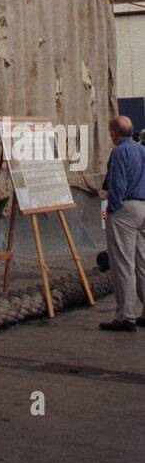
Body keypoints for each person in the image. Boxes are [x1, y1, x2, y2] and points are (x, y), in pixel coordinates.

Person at [99, 115, 145, 332]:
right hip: (143, 208)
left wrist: (112, 209)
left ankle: (126, 316)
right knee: (142, 263)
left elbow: (117, 184)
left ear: (114, 133)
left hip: (125, 210)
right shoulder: (142, 150)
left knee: (123, 264)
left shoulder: (119, 151)